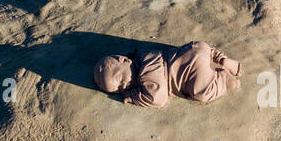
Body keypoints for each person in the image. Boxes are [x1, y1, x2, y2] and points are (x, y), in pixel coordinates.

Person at [93, 41, 242, 107]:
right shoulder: (143, 54)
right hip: (193, 49)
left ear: (125, 60)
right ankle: (218, 58)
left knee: (202, 92)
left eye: (120, 80)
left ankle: (224, 77)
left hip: (192, 74)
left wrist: (133, 96)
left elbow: (158, 98)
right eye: (119, 90)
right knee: (202, 48)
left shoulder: (147, 75)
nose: (124, 86)